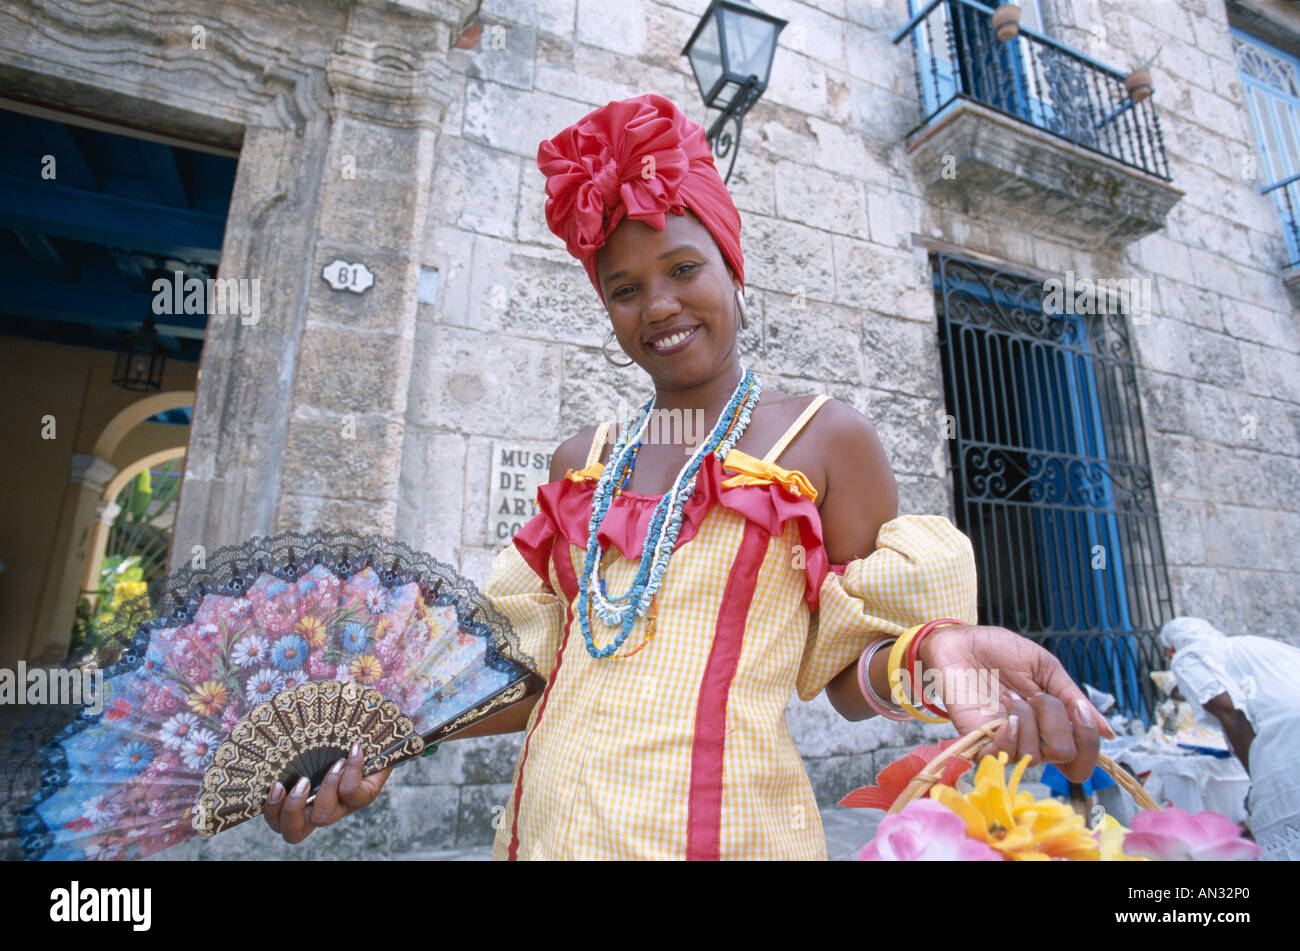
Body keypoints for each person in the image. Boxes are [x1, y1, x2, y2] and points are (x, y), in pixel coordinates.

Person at [262, 93, 1112, 859]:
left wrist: (948, 659)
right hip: (549, 835)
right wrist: (378, 734)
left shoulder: (824, 441)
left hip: (729, 836)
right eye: (624, 288)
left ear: (733, 267)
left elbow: (850, 677)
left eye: (681, 269)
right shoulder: (580, 462)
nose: (658, 305)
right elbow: (525, 675)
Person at [1159, 616, 1300, 860]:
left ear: (1172, 649)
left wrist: (1257, 781)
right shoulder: (1247, 646)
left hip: (1287, 738)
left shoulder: (1189, 656)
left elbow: (1231, 714)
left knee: (1280, 816)